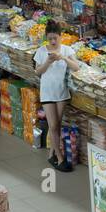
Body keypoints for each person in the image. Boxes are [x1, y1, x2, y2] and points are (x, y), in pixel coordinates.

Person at [33, 21, 80, 172]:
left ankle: (51, 152)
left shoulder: (67, 50)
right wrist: (48, 61)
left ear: (61, 37)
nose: (53, 41)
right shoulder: (41, 51)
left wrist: (63, 58)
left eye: (55, 38)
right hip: (47, 92)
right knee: (53, 125)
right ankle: (60, 158)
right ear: (46, 38)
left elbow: (76, 67)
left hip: (61, 92)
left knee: (58, 124)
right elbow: (38, 71)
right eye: (50, 38)